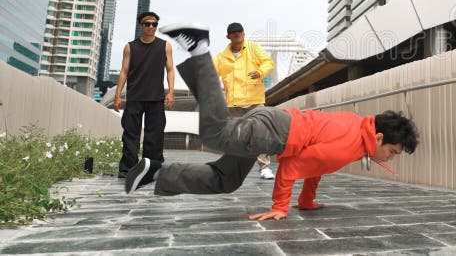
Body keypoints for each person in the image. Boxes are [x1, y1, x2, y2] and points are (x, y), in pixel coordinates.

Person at [125, 22, 419, 221]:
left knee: (225, 180)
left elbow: (316, 167)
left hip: (272, 126)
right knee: (215, 135)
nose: (389, 157)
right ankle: (200, 50)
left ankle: (156, 174)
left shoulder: (357, 128)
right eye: (392, 152)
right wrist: (280, 207)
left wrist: (306, 202)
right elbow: (293, 167)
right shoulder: (353, 144)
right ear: (379, 138)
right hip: (275, 131)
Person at [114, 11, 175, 178]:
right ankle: (127, 169)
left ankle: (151, 170)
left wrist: (170, 92)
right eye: (147, 24)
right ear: (141, 26)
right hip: (135, 97)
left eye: (154, 24)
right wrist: (118, 95)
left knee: (154, 136)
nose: (151, 27)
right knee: (130, 135)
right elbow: (124, 71)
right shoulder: (130, 46)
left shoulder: (165, 46)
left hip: (156, 97)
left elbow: (170, 70)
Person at [213, 22, 276, 179]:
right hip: (234, 104)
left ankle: (265, 167)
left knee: (261, 134)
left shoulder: (253, 48)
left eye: (239, 31)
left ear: (244, 33)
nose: (237, 34)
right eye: (233, 32)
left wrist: (260, 72)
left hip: (255, 100)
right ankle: (232, 169)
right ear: (228, 36)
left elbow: (269, 63)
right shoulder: (221, 57)